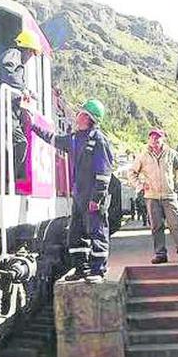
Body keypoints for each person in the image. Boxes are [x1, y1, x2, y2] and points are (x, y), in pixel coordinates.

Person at [22, 98, 113, 282]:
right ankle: (81, 269)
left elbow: (104, 173)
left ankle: (98, 271)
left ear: (89, 118)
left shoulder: (98, 141)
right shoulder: (74, 139)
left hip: (93, 197)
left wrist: (96, 198)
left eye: (81, 113)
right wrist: (32, 126)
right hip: (79, 196)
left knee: (97, 232)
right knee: (76, 233)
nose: (77, 116)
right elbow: (53, 139)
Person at [129, 129, 178, 265]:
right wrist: (140, 185)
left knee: (176, 225)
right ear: (148, 140)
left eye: (157, 138)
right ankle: (160, 254)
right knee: (156, 226)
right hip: (151, 196)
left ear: (162, 139)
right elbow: (132, 172)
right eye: (152, 138)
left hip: (169, 196)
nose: (155, 140)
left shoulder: (171, 154)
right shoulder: (143, 156)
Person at [0, 30, 43, 180]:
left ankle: (4, 178)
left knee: (15, 145)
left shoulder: (16, 60)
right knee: (20, 143)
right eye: (32, 53)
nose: (31, 57)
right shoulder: (13, 54)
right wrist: (24, 90)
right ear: (27, 49)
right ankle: (4, 179)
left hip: (9, 112)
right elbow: (8, 73)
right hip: (3, 110)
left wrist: (27, 92)